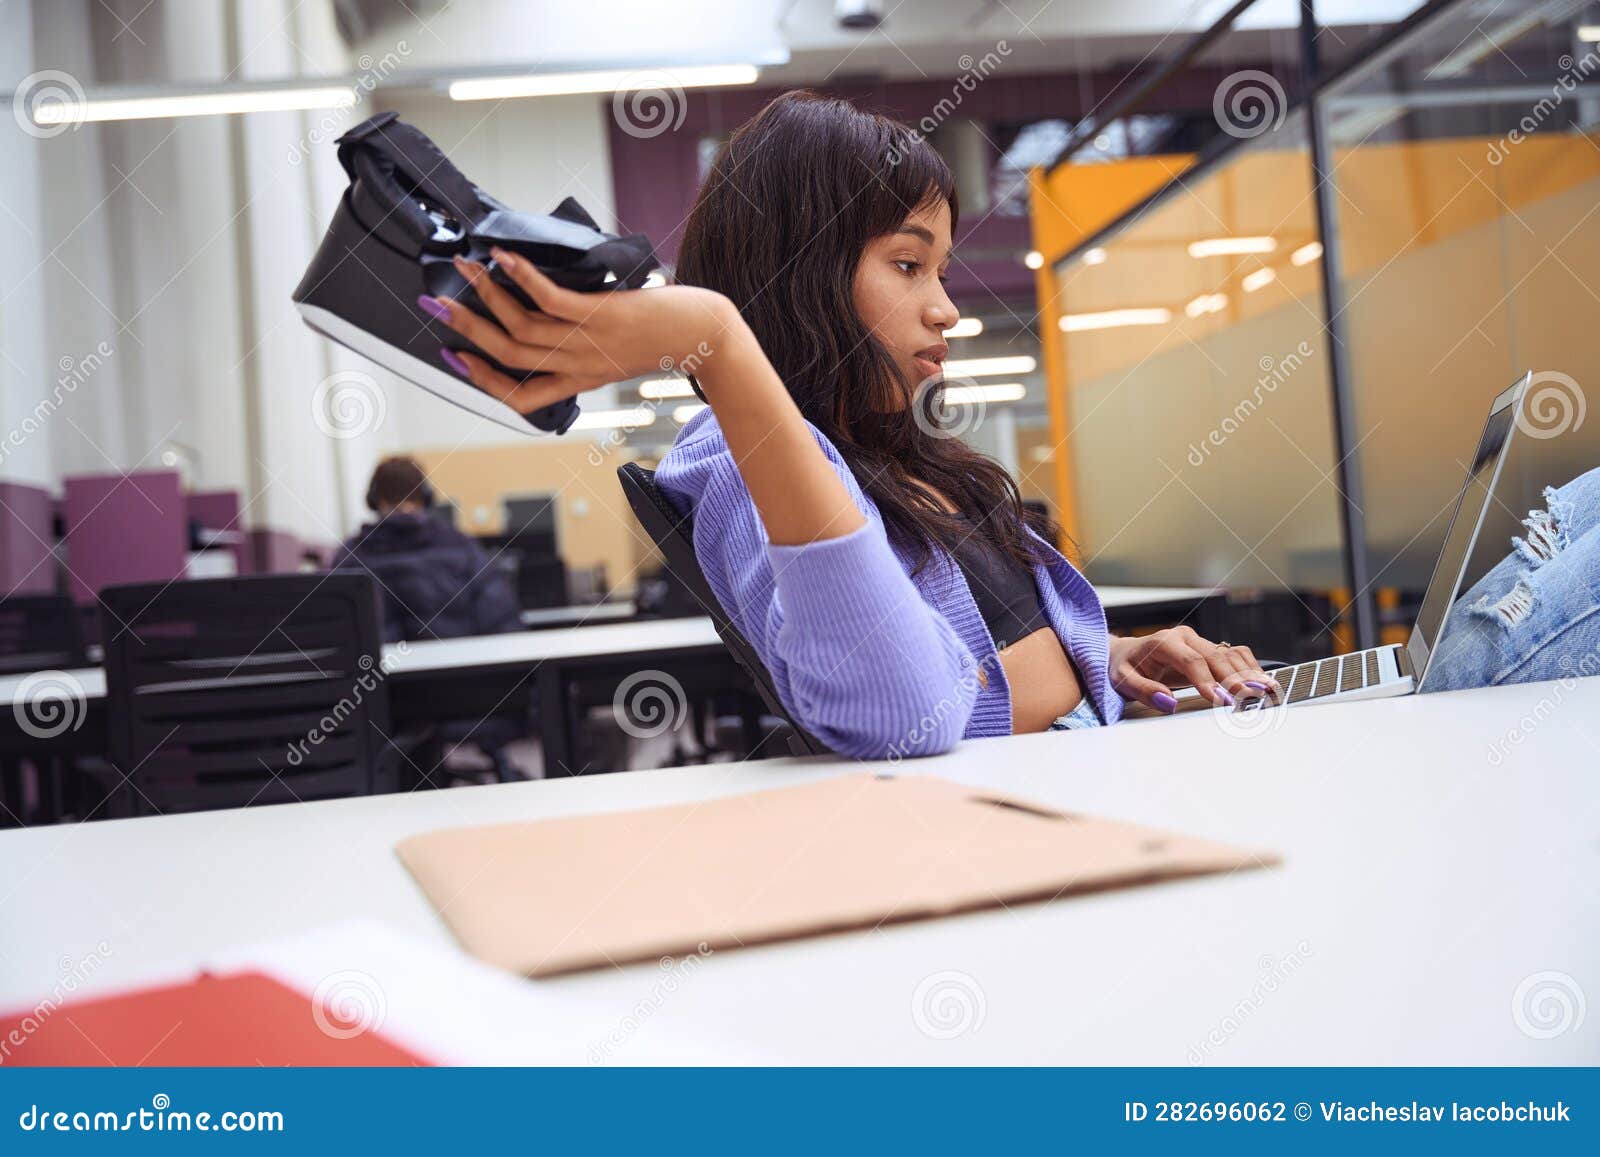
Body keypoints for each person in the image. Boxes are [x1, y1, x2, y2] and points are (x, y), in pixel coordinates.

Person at [418, 90, 1278, 761]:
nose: (944, 308)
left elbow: (994, 642)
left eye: (939, 269)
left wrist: (1108, 656)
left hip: (1094, 755)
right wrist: (716, 340)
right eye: (908, 265)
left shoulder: (904, 455)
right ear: (802, 274)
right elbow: (907, 715)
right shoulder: (736, 451)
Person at [333, 456, 522, 643]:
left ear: (374, 499)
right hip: (457, 670)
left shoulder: (350, 555)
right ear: (425, 496)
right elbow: (501, 621)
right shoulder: (461, 546)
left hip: (382, 673)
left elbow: (335, 630)